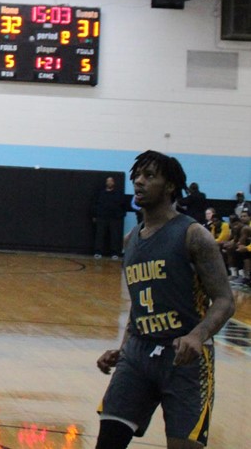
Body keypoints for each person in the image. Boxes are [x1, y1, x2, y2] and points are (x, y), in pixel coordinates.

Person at [94, 151, 235, 449]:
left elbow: (224, 299)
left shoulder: (193, 235)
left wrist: (198, 336)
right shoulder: (131, 241)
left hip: (185, 359)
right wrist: (121, 350)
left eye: (149, 175)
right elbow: (140, 305)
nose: (139, 181)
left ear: (170, 186)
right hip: (137, 355)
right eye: (137, 176)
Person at [92, 176, 128, 259]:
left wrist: (121, 215)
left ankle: (115, 253)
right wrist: (94, 215)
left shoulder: (118, 194)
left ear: (113, 183)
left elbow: (123, 205)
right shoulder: (101, 193)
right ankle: (98, 252)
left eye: (111, 181)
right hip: (102, 217)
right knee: (100, 235)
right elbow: (95, 205)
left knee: (114, 236)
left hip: (114, 218)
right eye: (108, 181)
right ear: (106, 183)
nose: (109, 182)